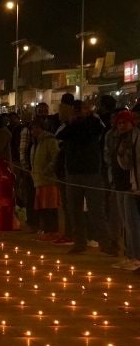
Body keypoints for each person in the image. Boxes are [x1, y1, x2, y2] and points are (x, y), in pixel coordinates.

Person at [58, 100, 109, 254]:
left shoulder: (94, 122)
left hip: (92, 172)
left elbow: (101, 129)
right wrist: (71, 121)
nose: (80, 112)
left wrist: (90, 116)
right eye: (77, 110)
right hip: (73, 173)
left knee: (96, 210)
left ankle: (105, 244)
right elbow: (58, 135)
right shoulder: (70, 124)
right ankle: (79, 243)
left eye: (82, 109)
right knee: (74, 211)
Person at [107, 110, 140, 270]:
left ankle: (136, 257)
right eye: (119, 123)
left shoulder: (135, 138)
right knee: (125, 222)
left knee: (132, 223)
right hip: (119, 184)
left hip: (131, 185)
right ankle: (128, 255)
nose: (121, 126)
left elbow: (129, 163)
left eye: (124, 123)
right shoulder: (117, 138)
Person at [28, 117, 62, 242]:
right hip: (38, 179)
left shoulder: (49, 140)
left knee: (50, 207)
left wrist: (47, 170)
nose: (34, 131)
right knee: (42, 206)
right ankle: (46, 230)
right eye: (32, 129)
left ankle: (52, 231)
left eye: (36, 128)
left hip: (48, 179)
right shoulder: (35, 142)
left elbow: (56, 157)